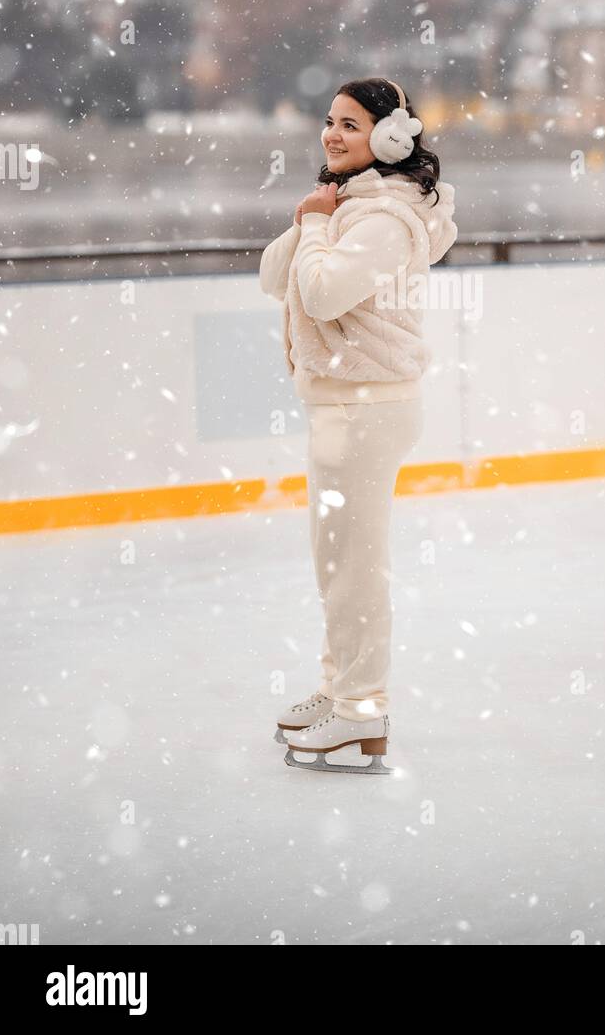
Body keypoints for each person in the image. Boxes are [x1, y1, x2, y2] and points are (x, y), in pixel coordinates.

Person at [258, 78, 458, 773]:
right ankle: (340, 689)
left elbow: (319, 289)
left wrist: (319, 225)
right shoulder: (351, 205)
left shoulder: (383, 219)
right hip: (347, 405)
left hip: (366, 407)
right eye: (329, 120)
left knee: (354, 568)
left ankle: (362, 709)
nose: (332, 133)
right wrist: (312, 216)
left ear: (389, 136)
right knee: (336, 561)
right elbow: (274, 277)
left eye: (350, 123)